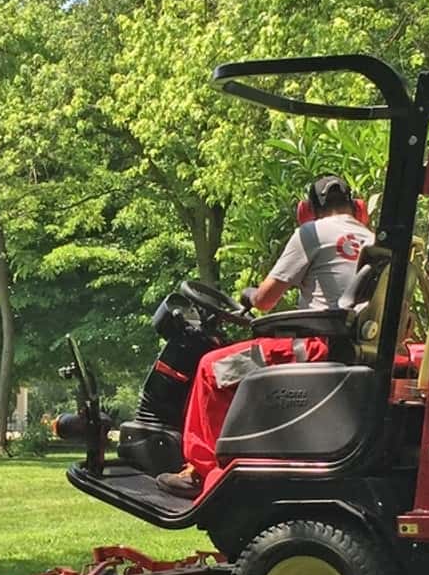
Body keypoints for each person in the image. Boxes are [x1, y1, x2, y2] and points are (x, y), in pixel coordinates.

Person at [157, 173, 375, 498]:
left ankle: (200, 473)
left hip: (314, 348)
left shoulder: (311, 233)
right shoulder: (373, 240)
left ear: (305, 210)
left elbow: (265, 300)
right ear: (358, 208)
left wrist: (250, 294)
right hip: (353, 347)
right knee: (229, 367)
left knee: (212, 369)